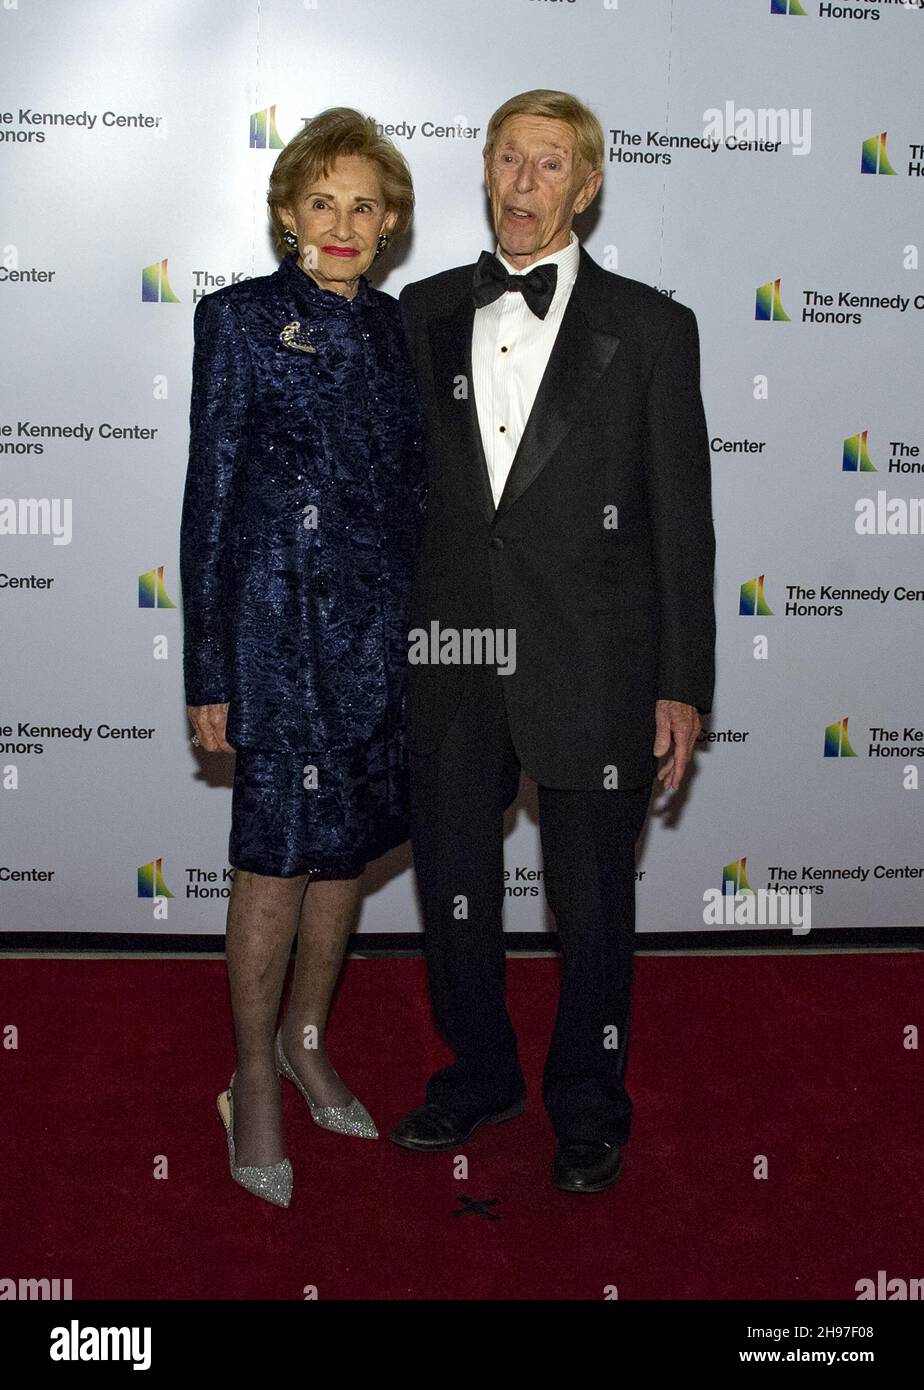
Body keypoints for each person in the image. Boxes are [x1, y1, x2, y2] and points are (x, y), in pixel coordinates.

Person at [391, 90, 715, 1193]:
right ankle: (478, 1072)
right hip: (450, 658)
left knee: (593, 899)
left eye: (550, 166)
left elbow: (683, 519)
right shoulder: (419, 312)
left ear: (586, 188)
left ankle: (590, 1099)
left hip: (596, 657)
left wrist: (683, 682)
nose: (524, 186)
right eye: (507, 163)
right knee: (457, 886)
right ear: (485, 174)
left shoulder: (654, 329)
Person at [180, 107, 424, 1207]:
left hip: (376, 642)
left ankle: (308, 1039)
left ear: (388, 227)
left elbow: (418, 502)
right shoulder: (236, 322)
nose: (341, 222)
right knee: (275, 860)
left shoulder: (398, 335)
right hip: (276, 641)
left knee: (346, 855)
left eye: (363, 205)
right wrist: (210, 670)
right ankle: (253, 1076)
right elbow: (210, 501)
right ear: (288, 215)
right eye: (321, 201)